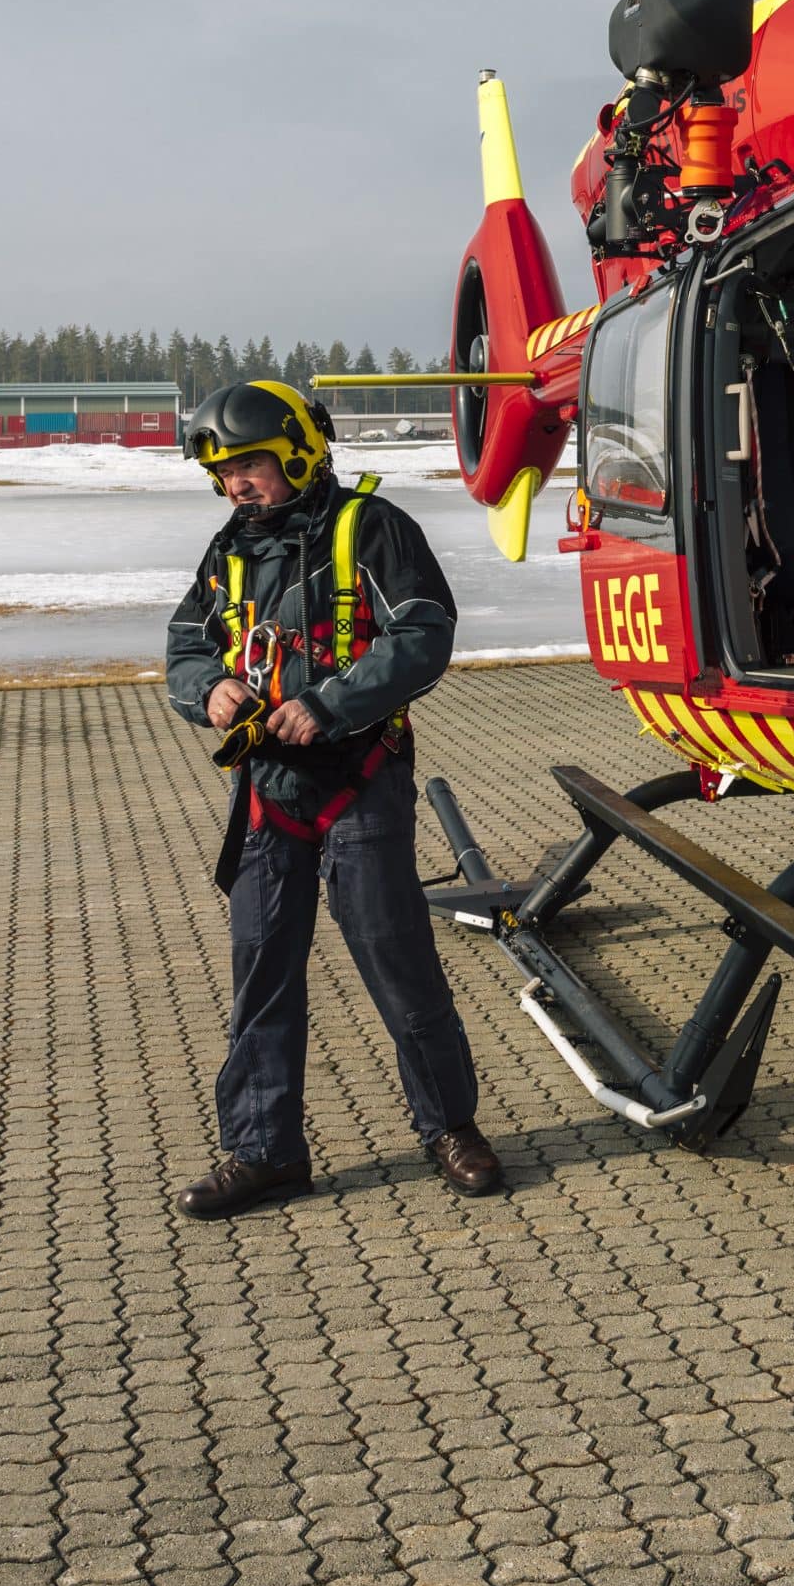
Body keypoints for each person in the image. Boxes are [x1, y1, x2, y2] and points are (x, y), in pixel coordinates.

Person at [165, 379, 503, 1217]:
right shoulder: (230, 551)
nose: (237, 484)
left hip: (361, 785)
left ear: (298, 452)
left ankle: (450, 1126)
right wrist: (206, 687)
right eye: (224, 471)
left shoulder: (372, 530)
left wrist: (329, 703)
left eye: (250, 465)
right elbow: (184, 644)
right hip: (267, 792)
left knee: (398, 961)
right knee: (263, 974)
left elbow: (424, 634)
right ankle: (263, 1151)